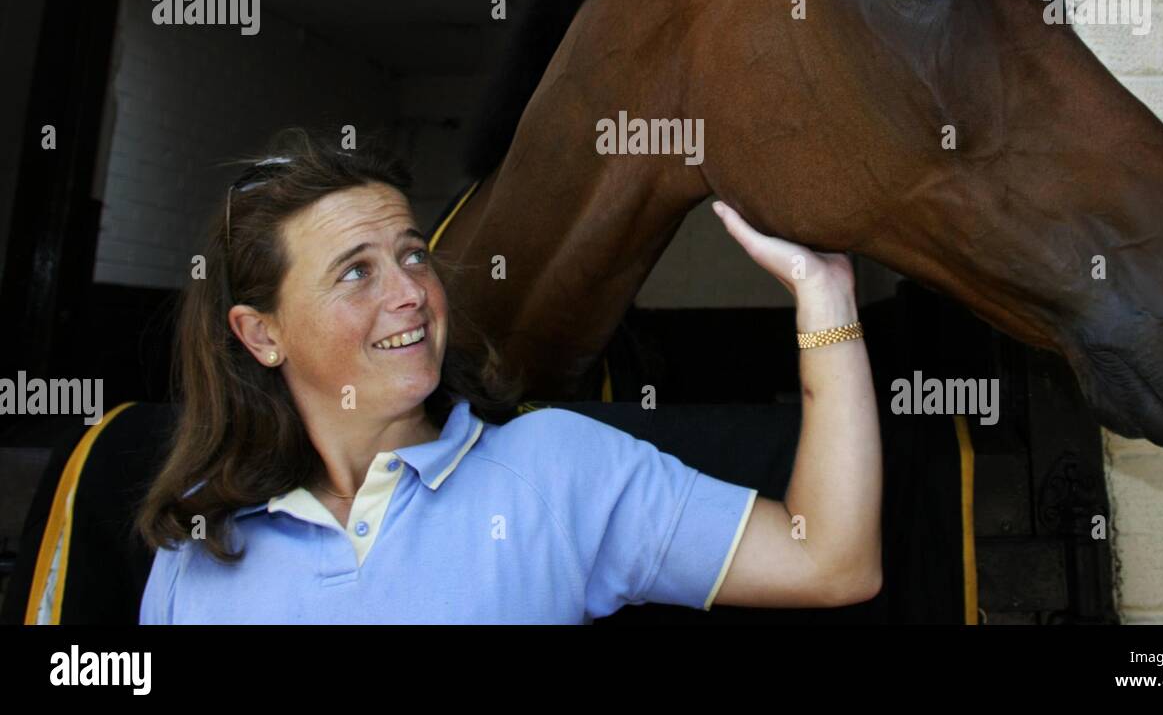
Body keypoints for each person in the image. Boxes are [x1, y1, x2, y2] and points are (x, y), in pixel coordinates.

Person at [135, 126, 882, 623]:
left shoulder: (556, 468)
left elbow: (829, 561)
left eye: (413, 254)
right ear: (262, 335)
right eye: (356, 272)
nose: (410, 293)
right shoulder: (200, 539)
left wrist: (826, 296)